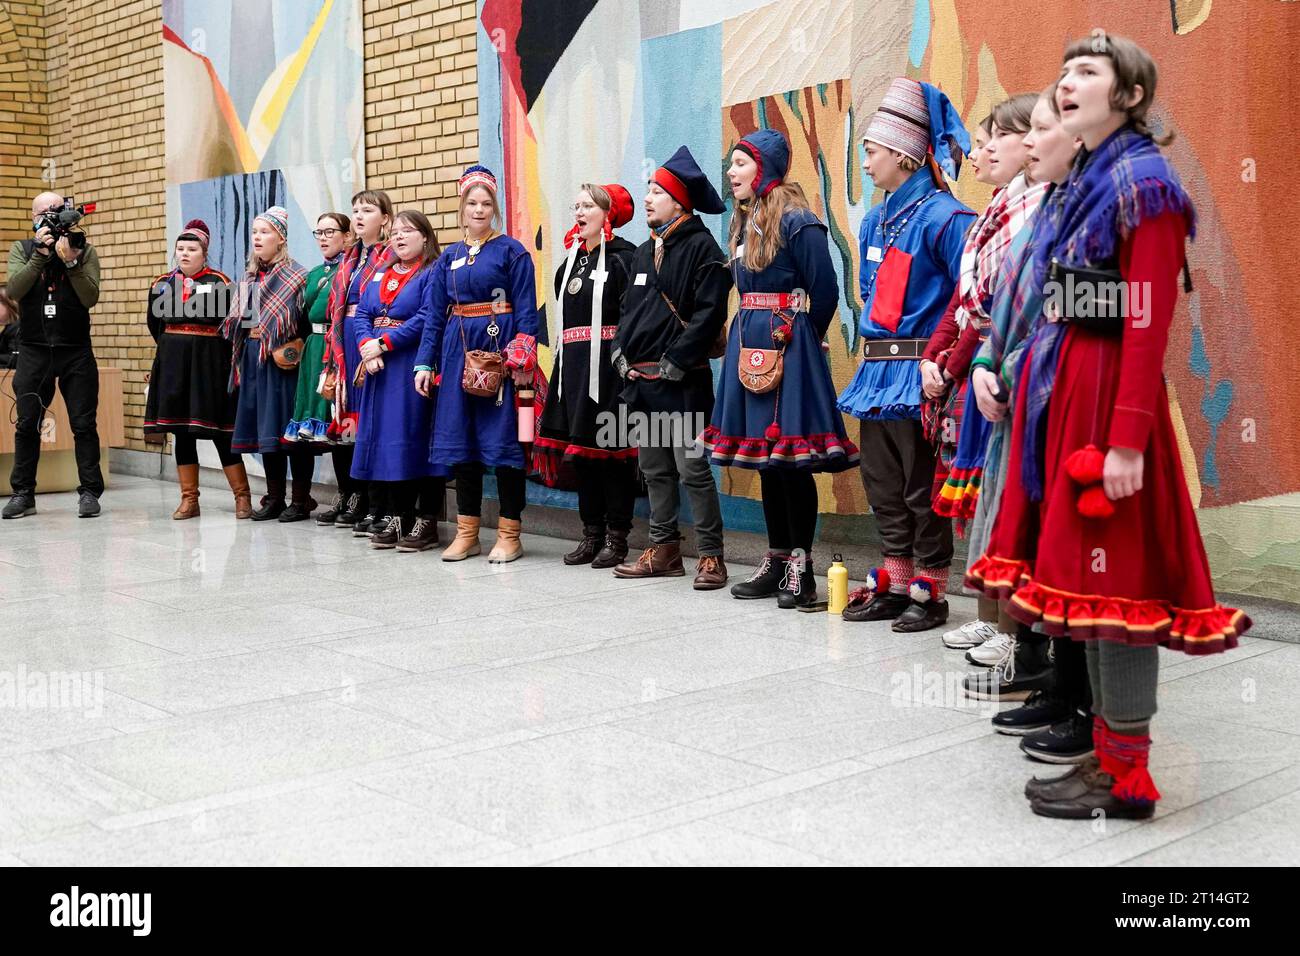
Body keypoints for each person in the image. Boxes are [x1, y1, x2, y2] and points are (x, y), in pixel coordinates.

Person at [964, 34, 1250, 819]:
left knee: (1116, 587)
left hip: (1105, 413)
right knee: (1085, 587)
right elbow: (1070, 302)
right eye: (1062, 72)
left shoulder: (1142, 183)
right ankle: (1103, 753)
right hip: (1066, 399)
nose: (1064, 83)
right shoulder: (1087, 179)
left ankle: (1127, 777)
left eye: (1086, 72)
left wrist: (1126, 440)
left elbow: (1148, 319)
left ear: (1128, 95)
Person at [835, 79, 975, 630]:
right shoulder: (875, 220)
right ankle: (894, 577)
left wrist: (947, 366)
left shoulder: (946, 218)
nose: (865, 163)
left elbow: (971, 298)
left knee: (923, 487)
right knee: (884, 484)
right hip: (877, 372)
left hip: (921, 373)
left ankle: (931, 589)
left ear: (901, 153)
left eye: (870, 152)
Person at [701, 129, 858, 608]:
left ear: (764, 168)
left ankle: (801, 567)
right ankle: (774, 559)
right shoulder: (744, 223)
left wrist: (802, 339)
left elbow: (825, 289)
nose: (731, 173)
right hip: (749, 348)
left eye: (741, 164)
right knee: (768, 463)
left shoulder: (797, 221)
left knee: (791, 463)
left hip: (788, 348)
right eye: (730, 165)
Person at [918, 94, 1046, 648]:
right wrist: (943, 359)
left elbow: (1012, 306)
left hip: (1023, 371)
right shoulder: (999, 209)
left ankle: (1022, 634)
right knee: (984, 500)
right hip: (987, 369)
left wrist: (962, 361)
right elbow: (968, 302)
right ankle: (993, 618)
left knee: (1014, 500)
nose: (982, 149)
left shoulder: (1042, 208)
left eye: (998, 136)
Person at [609, 146, 733, 589]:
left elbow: (708, 314)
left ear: (680, 200)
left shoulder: (705, 250)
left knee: (692, 469)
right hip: (641, 382)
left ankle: (711, 556)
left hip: (683, 382)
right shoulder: (643, 253)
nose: (647, 197)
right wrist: (619, 353)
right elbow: (627, 312)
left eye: (656, 190)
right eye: (647, 190)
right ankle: (663, 549)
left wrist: (676, 361)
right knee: (654, 470)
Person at [414, 165, 542, 563]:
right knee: (462, 444)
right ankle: (467, 532)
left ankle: (509, 533)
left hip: (500, 355)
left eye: (487, 203)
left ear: (495, 209)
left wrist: (522, 353)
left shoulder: (511, 251)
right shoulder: (447, 258)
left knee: (504, 444)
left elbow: (527, 311)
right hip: (455, 357)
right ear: (462, 207)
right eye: (472, 202)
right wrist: (424, 364)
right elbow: (434, 316)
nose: (479, 209)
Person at [535, 182, 640, 569]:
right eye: (575, 206)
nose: (578, 213)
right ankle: (591, 533)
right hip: (574, 370)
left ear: (607, 214)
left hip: (609, 370)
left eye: (587, 206)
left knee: (612, 455)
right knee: (582, 458)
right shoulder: (571, 261)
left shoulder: (625, 259)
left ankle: (618, 536)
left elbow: (632, 317)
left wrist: (622, 363)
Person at [3, 191, 103, 519]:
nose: (51, 217)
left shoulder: (83, 248)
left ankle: (89, 492)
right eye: (43, 212)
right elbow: (14, 291)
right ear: (33, 218)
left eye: (57, 210)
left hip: (76, 351)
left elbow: (90, 297)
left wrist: (71, 261)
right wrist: (41, 255)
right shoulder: (23, 248)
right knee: (28, 423)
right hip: (34, 349)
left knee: (84, 424)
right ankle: (23, 493)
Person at [350, 210, 445, 550]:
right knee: (386, 441)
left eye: (409, 231)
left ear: (425, 237)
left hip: (411, 365)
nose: (400, 237)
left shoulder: (432, 272)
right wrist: (366, 346)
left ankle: (427, 518)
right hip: (379, 367)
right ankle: (396, 513)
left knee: (415, 437)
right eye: (396, 232)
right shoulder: (381, 273)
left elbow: (426, 317)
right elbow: (362, 312)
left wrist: (384, 343)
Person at [143, 219, 249, 518]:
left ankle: (242, 497)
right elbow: (155, 324)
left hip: (209, 367)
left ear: (204, 253)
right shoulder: (161, 284)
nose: (185, 254)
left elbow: (234, 325)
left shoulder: (220, 282)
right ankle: (190, 499)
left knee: (220, 431)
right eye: (180, 249)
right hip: (174, 366)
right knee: (181, 432)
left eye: (192, 249)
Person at [221, 205, 315, 521]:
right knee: (267, 431)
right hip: (254, 359)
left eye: (265, 232)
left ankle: (300, 500)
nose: (258, 237)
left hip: (284, 364)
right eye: (255, 232)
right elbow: (239, 324)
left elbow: (305, 323)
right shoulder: (248, 277)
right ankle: (274, 498)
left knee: (291, 431)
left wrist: (289, 348)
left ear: (281, 238)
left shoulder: (298, 276)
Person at [323, 190, 395, 534]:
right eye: (355, 210)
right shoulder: (351, 256)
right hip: (344, 344)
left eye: (368, 209)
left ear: (385, 218)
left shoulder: (391, 255)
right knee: (344, 425)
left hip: (371, 343)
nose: (360, 215)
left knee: (371, 426)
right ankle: (351, 496)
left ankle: (374, 501)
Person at [283, 212, 355, 524]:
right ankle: (329, 495)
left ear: (347, 235)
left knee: (340, 423)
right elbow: (300, 316)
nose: (324, 238)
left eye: (330, 231)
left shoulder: (352, 270)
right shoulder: (312, 275)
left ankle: (354, 494)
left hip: (337, 346)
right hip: (313, 348)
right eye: (319, 232)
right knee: (314, 429)